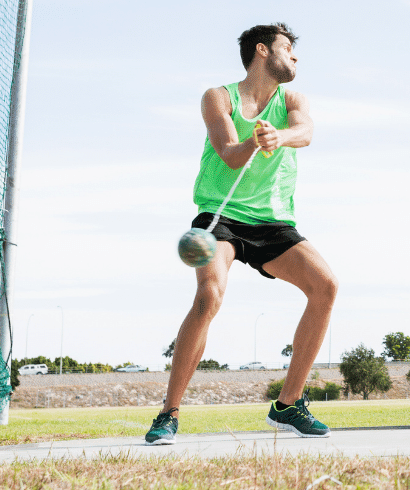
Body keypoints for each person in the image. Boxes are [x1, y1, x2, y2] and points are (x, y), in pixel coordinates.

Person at [145, 23, 336, 445]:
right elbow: (230, 155)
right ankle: (168, 413)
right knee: (208, 296)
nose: (296, 57)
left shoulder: (293, 100)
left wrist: (279, 135)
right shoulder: (219, 97)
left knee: (325, 286)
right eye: (289, 49)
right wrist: (255, 139)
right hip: (221, 216)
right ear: (263, 51)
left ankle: (288, 405)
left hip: (273, 222)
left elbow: (305, 133)